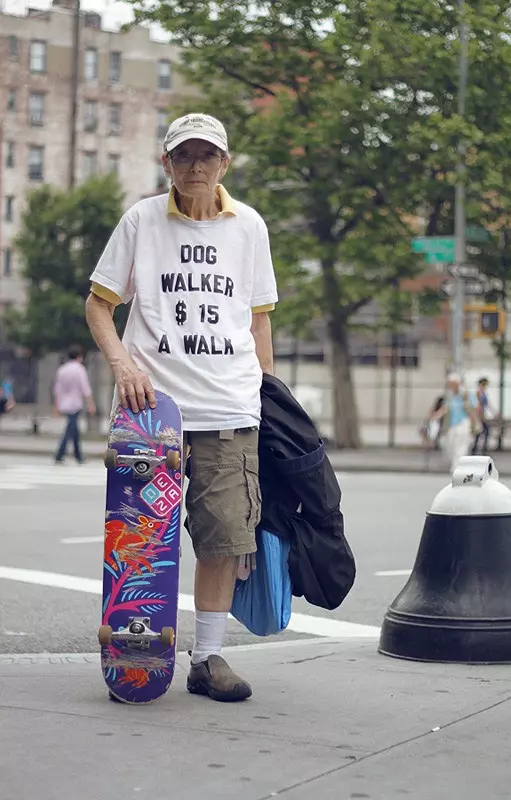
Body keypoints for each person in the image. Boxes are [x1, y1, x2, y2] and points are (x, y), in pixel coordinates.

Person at [86, 113, 278, 703]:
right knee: (144, 539)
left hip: (229, 407)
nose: (196, 166)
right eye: (184, 155)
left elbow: (259, 318)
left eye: (207, 156)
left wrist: (269, 398)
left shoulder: (249, 225)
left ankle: (209, 657)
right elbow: (99, 306)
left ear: (226, 163)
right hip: (155, 414)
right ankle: (138, 645)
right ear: (166, 163)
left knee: (223, 537)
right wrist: (123, 364)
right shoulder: (140, 220)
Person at [53, 345, 96, 463]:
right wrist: (90, 404)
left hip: (64, 403)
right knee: (70, 429)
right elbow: (85, 388)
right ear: (79, 357)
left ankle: (78, 456)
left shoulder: (62, 369)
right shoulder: (80, 369)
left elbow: (57, 389)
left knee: (74, 429)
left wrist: (56, 405)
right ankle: (59, 454)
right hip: (75, 403)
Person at [431, 373, 475, 472]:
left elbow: (473, 410)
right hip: (451, 425)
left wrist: (474, 425)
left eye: (451, 383)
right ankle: (457, 466)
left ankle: (457, 469)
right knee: (450, 446)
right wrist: (436, 416)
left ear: (457, 383)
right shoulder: (450, 396)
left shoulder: (465, 395)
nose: (450, 385)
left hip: (463, 424)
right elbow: (445, 409)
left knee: (461, 447)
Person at [471, 377, 498, 455]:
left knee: (480, 433)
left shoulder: (483, 393)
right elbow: (478, 406)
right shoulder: (478, 393)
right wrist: (480, 417)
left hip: (482, 415)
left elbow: (487, 404)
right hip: (479, 416)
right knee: (485, 431)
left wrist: (494, 412)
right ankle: (481, 450)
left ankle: (476, 449)